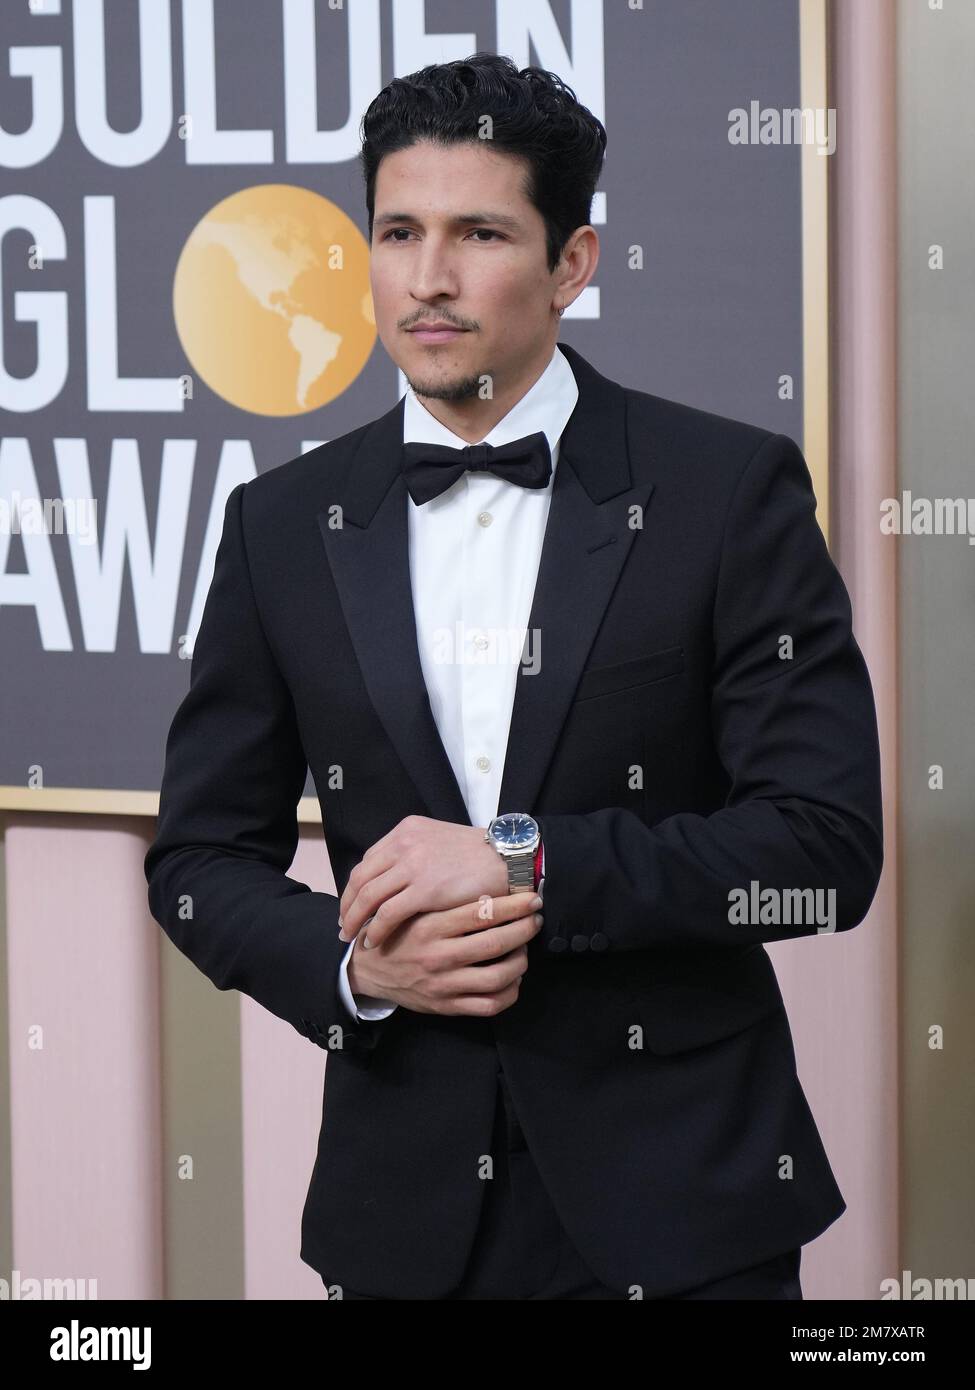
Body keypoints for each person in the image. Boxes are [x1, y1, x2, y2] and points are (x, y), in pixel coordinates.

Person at [145, 52, 883, 1300]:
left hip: (689, 1210)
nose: (427, 279)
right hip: (404, 1221)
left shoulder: (725, 492)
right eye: (397, 231)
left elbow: (821, 851)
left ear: (573, 265)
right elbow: (198, 860)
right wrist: (350, 964)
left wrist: (521, 857)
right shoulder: (282, 525)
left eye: (479, 231)